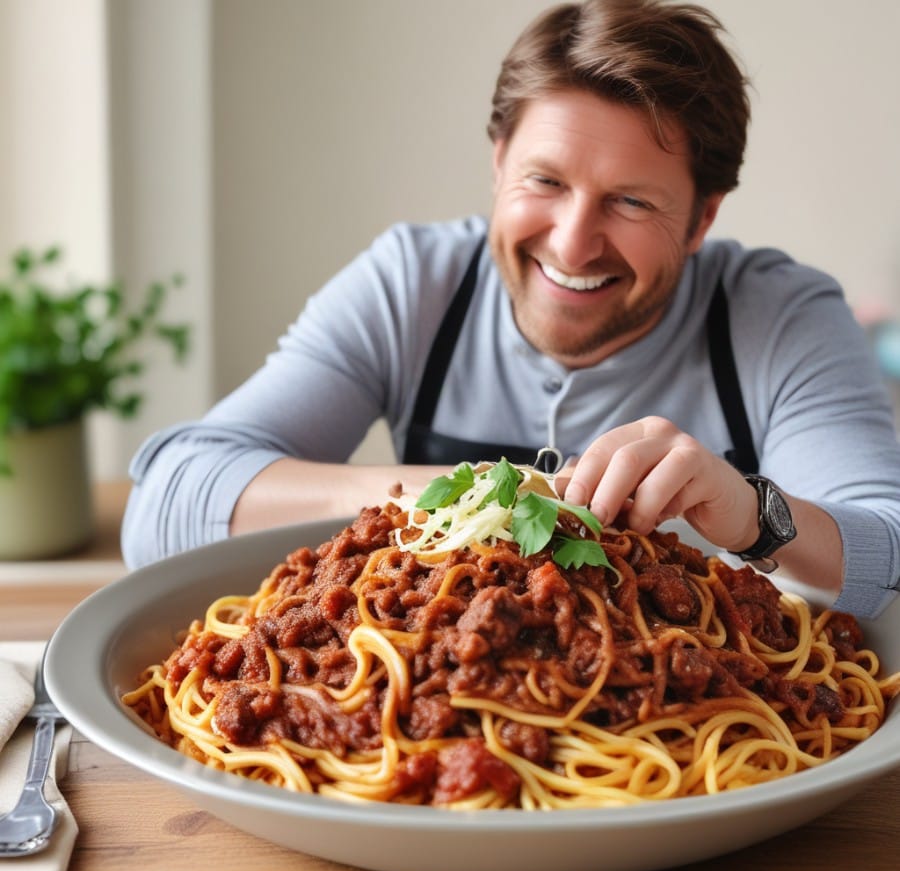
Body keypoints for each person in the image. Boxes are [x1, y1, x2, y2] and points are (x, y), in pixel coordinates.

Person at [122, 0, 900, 619]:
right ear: (499, 165)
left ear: (701, 218)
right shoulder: (412, 283)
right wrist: (463, 497)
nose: (573, 241)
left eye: (630, 201)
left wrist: (754, 514)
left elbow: (891, 557)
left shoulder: (779, 315)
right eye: (546, 182)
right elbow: (164, 506)